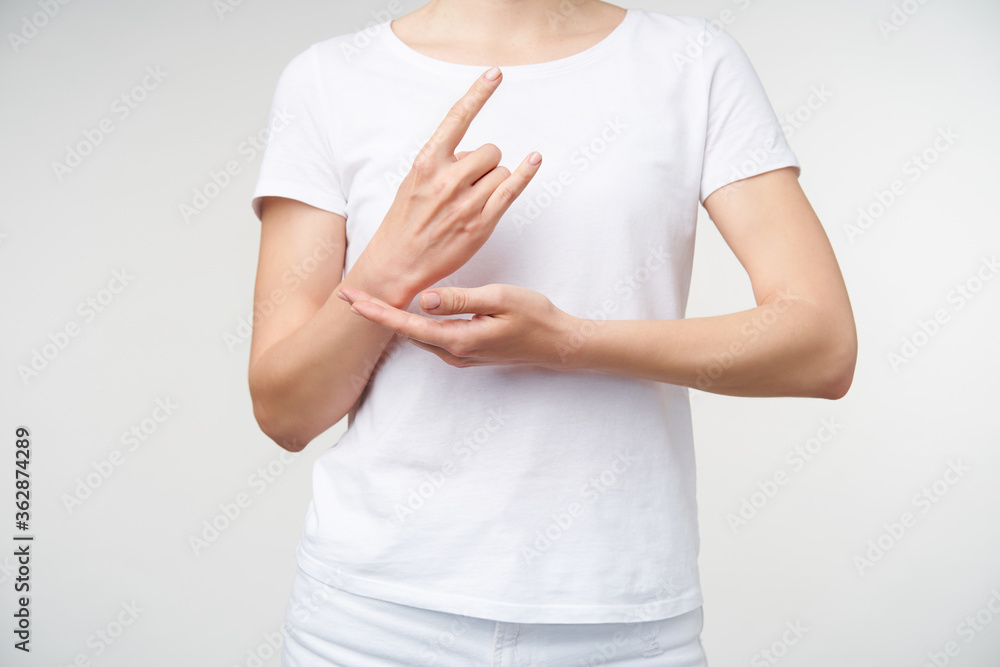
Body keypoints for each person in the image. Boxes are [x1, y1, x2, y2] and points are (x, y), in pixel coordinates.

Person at [247, 0, 857, 664]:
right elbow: (285, 411)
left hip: (621, 620)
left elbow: (821, 345)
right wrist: (386, 266)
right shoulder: (329, 78)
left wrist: (567, 340)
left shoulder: (693, 61)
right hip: (373, 618)